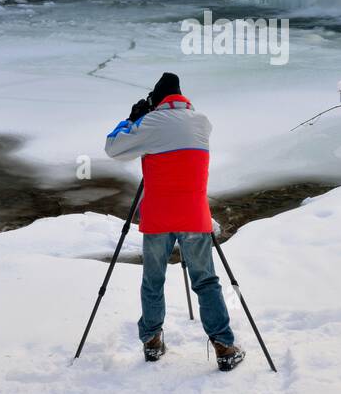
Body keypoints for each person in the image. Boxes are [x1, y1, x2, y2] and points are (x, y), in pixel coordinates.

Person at [105, 73, 245, 371]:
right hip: (195, 215)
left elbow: (113, 148)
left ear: (156, 100)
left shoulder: (151, 124)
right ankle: (224, 345)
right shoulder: (202, 122)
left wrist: (132, 120)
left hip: (158, 216)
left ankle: (152, 342)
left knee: (153, 281)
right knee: (206, 281)